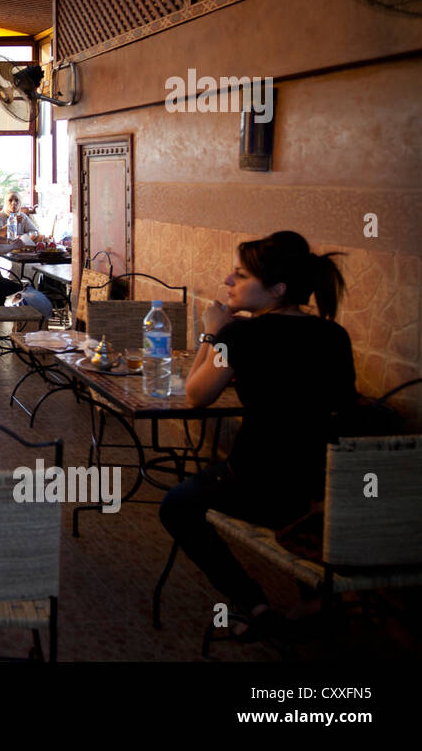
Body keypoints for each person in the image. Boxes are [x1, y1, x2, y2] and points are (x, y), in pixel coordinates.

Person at [160, 231, 357, 641]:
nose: (229, 282)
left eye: (240, 275)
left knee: (176, 505)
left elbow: (196, 395)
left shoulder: (241, 336)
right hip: (321, 491)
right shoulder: (333, 335)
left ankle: (255, 604)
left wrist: (212, 332)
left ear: (276, 289)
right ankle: (313, 598)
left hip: (257, 485)